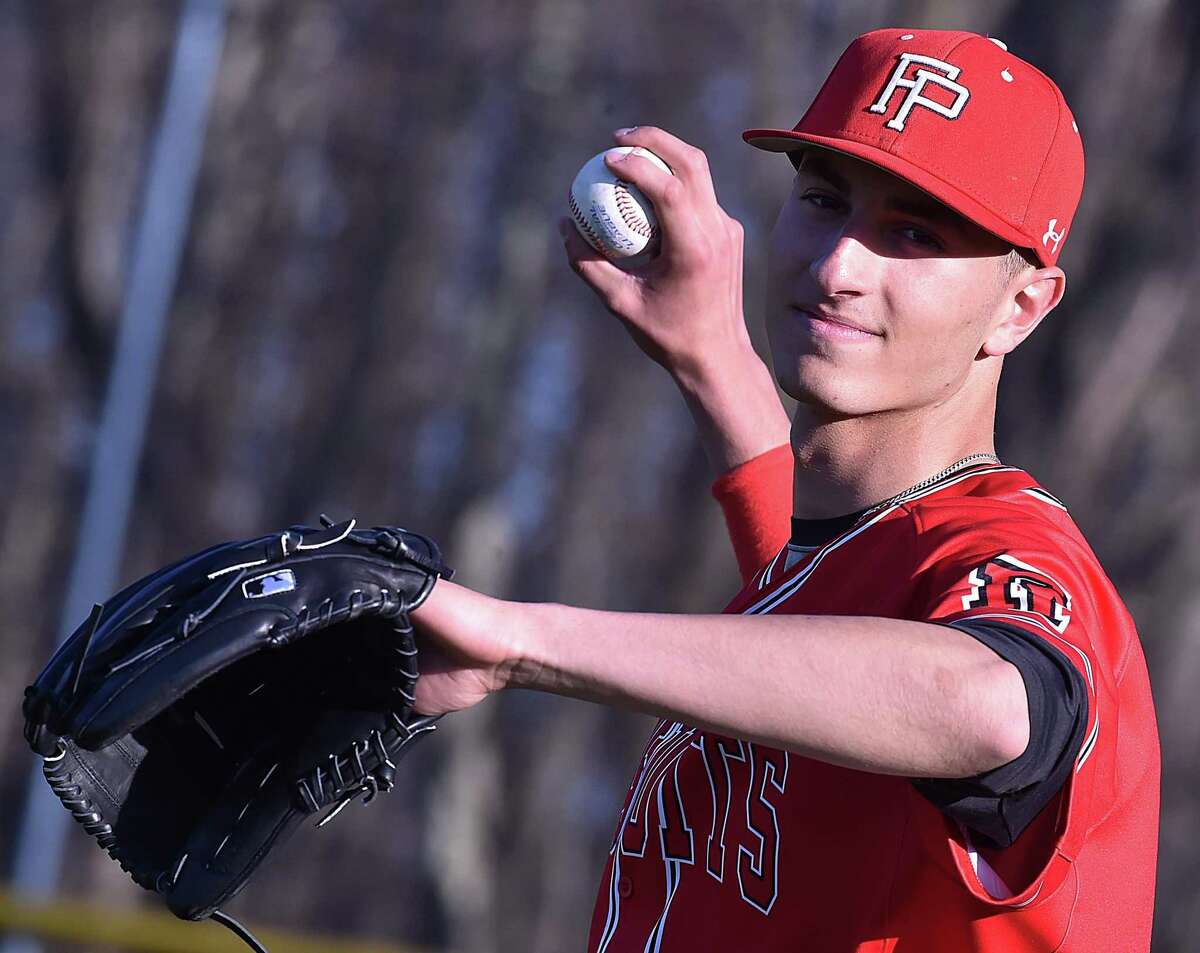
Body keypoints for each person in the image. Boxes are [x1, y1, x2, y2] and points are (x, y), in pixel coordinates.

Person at [410, 27, 1160, 952]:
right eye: (823, 200)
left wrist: (517, 640)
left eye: (914, 232)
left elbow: (986, 703)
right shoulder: (851, 575)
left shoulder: (1017, 557)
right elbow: (815, 578)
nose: (839, 266)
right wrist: (713, 353)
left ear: (1019, 308)